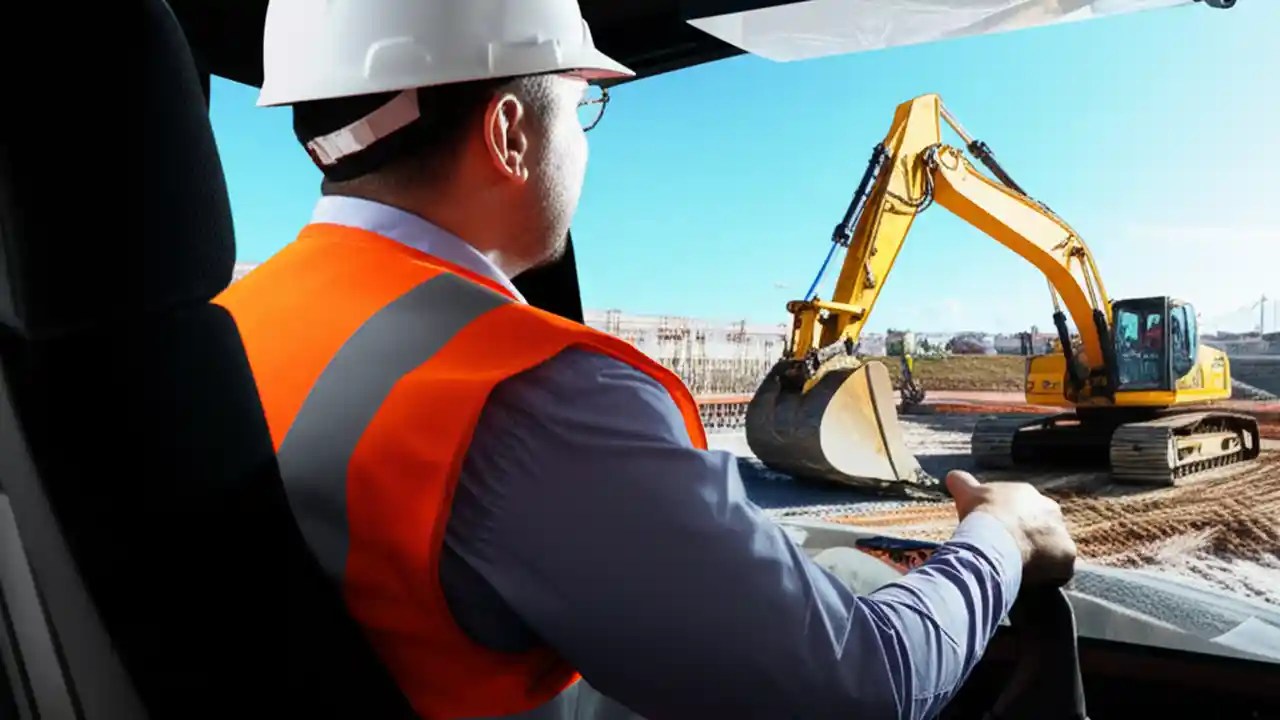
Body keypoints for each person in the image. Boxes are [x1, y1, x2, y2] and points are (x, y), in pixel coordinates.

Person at [215, 1, 1077, 718]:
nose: (586, 139)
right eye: (583, 104)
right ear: (511, 133)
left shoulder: (230, 321)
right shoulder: (530, 394)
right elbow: (860, 692)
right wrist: (1000, 535)